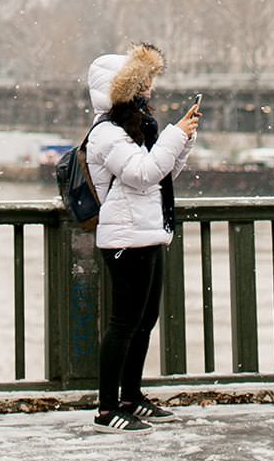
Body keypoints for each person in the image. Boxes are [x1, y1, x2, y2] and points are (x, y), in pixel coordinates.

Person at [84, 42, 198, 432]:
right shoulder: (106, 134)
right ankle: (106, 408)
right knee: (123, 322)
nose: (149, 88)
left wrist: (182, 140)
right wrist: (174, 136)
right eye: (142, 82)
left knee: (144, 319)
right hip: (124, 238)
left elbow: (160, 175)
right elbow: (142, 174)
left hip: (147, 231)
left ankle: (131, 397)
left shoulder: (134, 128)